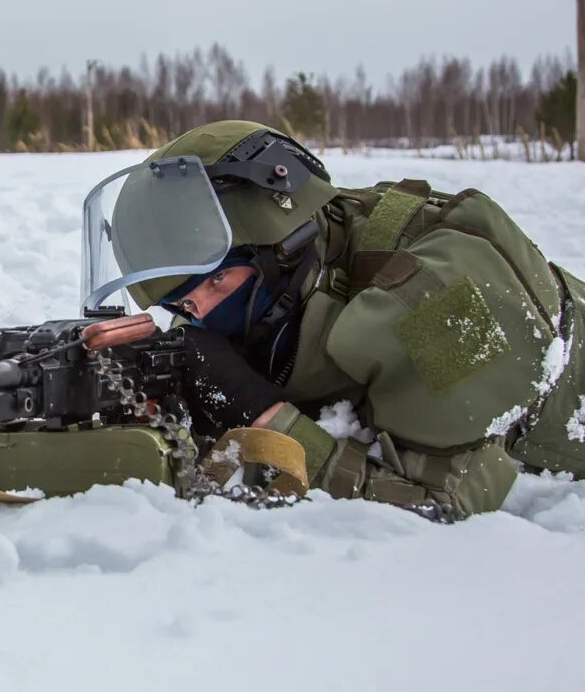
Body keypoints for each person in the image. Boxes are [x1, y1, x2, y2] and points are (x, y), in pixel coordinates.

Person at [102, 120, 585, 516]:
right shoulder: (292, 265)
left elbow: (437, 504)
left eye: (215, 282)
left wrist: (267, 420)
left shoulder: (439, 299)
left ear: (286, 251)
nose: (195, 314)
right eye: (180, 302)